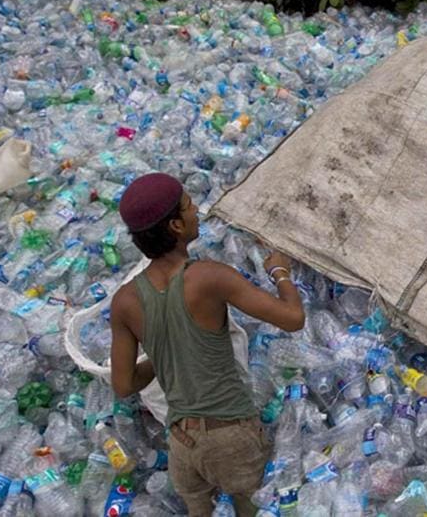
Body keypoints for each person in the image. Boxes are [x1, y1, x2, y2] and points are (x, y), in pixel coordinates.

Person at [109, 172, 305, 516]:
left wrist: (167, 355)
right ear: (175, 225)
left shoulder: (125, 301)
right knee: (255, 509)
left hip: (182, 445)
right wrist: (280, 273)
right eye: (188, 205)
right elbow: (293, 318)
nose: (196, 210)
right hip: (231, 438)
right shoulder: (209, 276)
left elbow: (123, 384)